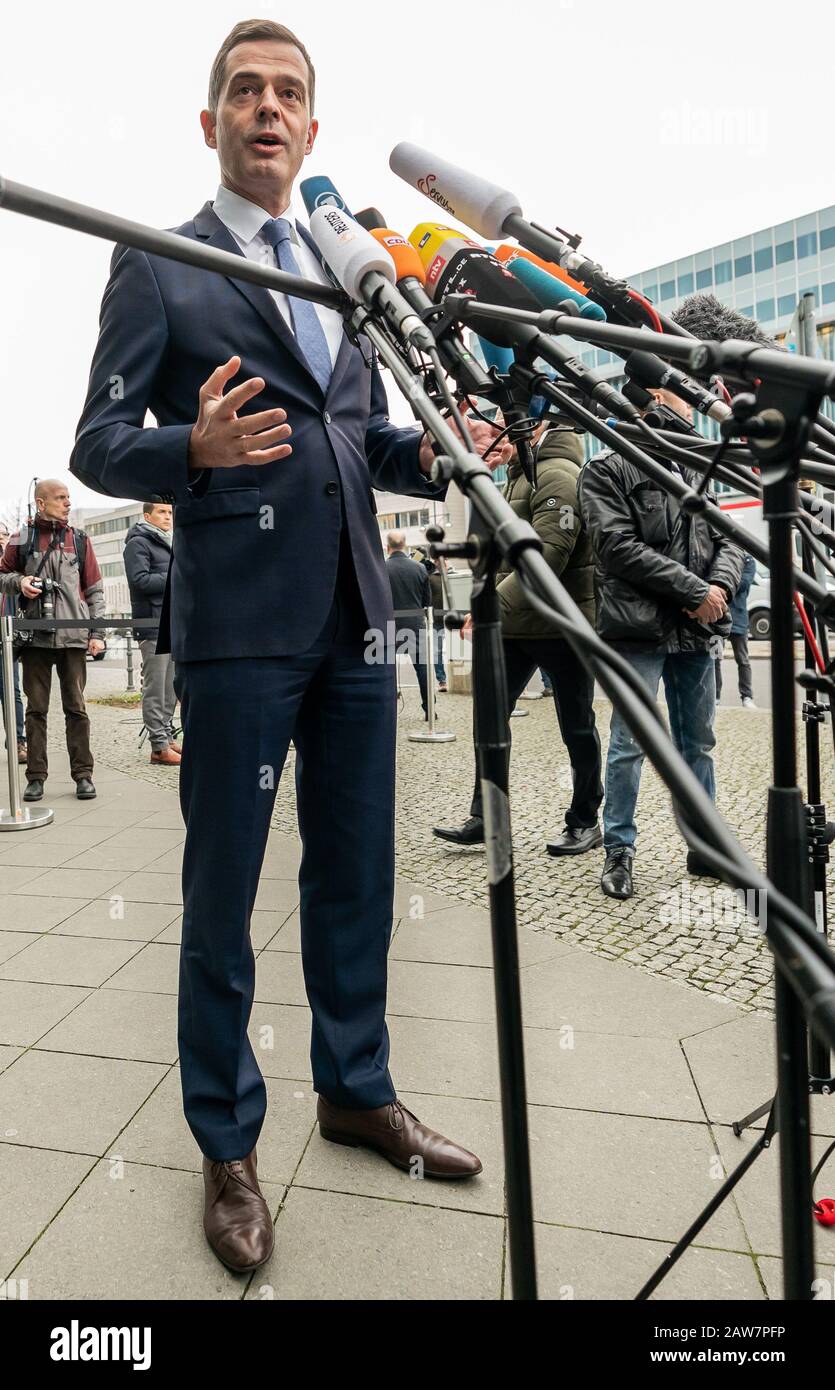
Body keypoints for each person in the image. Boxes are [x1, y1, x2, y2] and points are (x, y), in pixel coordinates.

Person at [71, 20, 511, 1275]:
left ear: (312, 130)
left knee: (356, 872)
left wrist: (427, 454)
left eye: (290, 94)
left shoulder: (341, 268)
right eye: (244, 91)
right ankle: (226, 1141)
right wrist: (186, 450)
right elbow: (100, 439)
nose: (268, 108)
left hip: (357, 618)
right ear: (209, 122)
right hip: (238, 629)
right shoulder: (159, 263)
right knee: (224, 895)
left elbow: (350, 435)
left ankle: (356, 1087)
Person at [579, 387, 745, 900]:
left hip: (696, 630)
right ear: (654, 393)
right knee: (631, 743)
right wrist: (696, 592)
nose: (698, 398)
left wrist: (717, 588)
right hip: (638, 630)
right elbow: (617, 547)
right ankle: (619, 850)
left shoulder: (697, 462)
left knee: (699, 743)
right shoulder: (606, 468)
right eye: (681, 387)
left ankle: (705, 847)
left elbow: (730, 537)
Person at [433, 416, 604, 854]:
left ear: (535, 425)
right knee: (489, 720)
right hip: (514, 628)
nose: (496, 435)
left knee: (577, 726)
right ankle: (486, 815)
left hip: (560, 625)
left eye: (504, 426)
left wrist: (489, 605)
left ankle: (585, 819)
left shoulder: (558, 473)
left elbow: (547, 557)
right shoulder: (518, 475)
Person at [0, 480, 104, 801]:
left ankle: (83, 776)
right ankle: (35, 778)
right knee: (36, 711)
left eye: (69, 498)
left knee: (77, 709)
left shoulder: (80, 540)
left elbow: (96, 590)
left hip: (73, 637)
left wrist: (97, 633)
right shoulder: (21, 539)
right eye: (61, 498)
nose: (68, 503)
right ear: (41, 503)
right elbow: (2, 576)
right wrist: (21, 581)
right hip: (34, 639)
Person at [124, 502, 181, 764]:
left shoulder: (166, 541)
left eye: (170, 512)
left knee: (170, 688)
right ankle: (158, 746)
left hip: (170, 622)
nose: (168, 516)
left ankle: (167, 738)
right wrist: (176, 575)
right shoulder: (138, 543)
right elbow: (140, 580)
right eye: (162, 512)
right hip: (151, 624)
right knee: (155, 688)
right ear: (147, 516)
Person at [385, 531, 431, 718]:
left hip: (388, 624)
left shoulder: (381, 568)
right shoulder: (419, 568)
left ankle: (388, 710)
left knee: (386, 667)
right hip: (414, 622)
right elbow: (426, 601)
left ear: (388, 547)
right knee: (421, 667)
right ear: (404, 545)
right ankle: (429, 708)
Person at [715, 552, 757, 709]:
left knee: (743, 660)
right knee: (714, 658)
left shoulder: (748, 560)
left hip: (738, 620)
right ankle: (715, 696)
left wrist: (721, 583)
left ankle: (747, 696)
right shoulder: (718, 553)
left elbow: (744, 584)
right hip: (717, 621)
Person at [0, 525, 27, 765]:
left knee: (11, 691)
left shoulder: (12, 566)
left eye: (4, 533)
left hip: (6, 638)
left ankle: (18, 740)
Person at [425, 555, 448, 690]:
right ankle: (442, 680)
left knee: (461, 652)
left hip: (454, 618)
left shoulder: (452, 577)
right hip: (437, 620)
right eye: (437, 560)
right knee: (437, 651)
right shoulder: (430, 578)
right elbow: (427, 598)